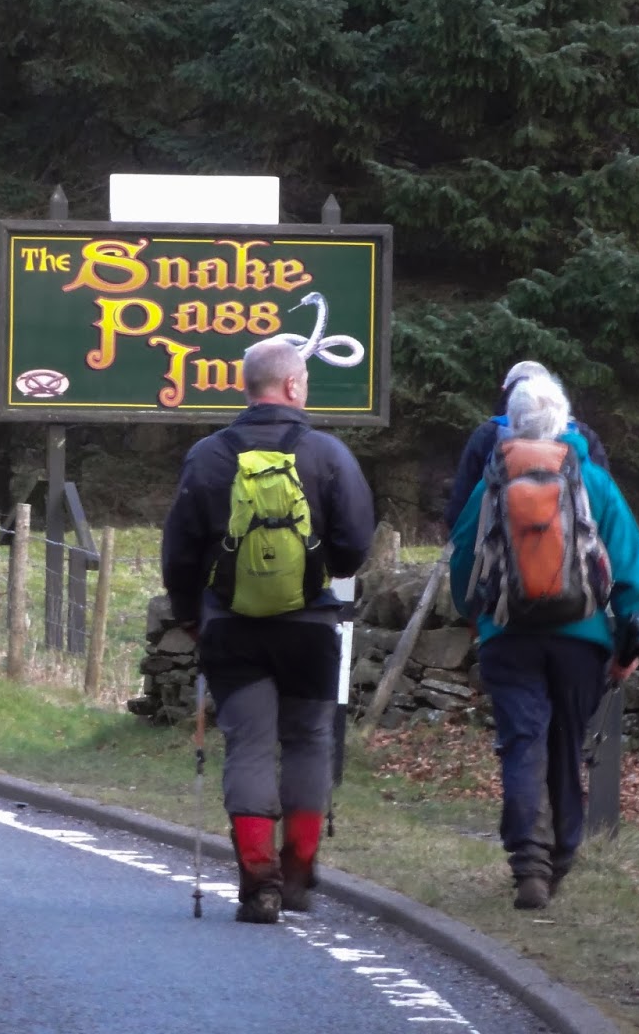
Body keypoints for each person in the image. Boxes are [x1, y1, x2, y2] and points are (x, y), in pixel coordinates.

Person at [161, 337, 376, 924]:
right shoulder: (327, 454)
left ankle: (260, 886)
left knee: (249, 745)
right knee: (308, 739)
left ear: (247, 387)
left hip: (230, 624)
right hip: (309, 625)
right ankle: (301, 874)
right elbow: (355, 547)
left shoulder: (207, 456)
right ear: (292, 386)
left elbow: (179, 549)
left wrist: (190, 612)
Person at [448, 372, 639, 911]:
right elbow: (630, 567)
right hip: (581, 638)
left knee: (522, 742)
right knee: (565, 743)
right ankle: (561, 854)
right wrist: (630, 643)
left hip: (508, 635)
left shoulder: (491, 482)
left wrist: (474, 616)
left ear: (510, 424)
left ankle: (528, 864)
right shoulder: (593, 481)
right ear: (563, 422)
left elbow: (464, 557)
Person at [441, 360, 609, 531]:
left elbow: (459, 514)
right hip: (575, 552)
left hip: (505, 552)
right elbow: (614, 526)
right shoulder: (583, 436)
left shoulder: (488, 437)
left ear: (504, 391)